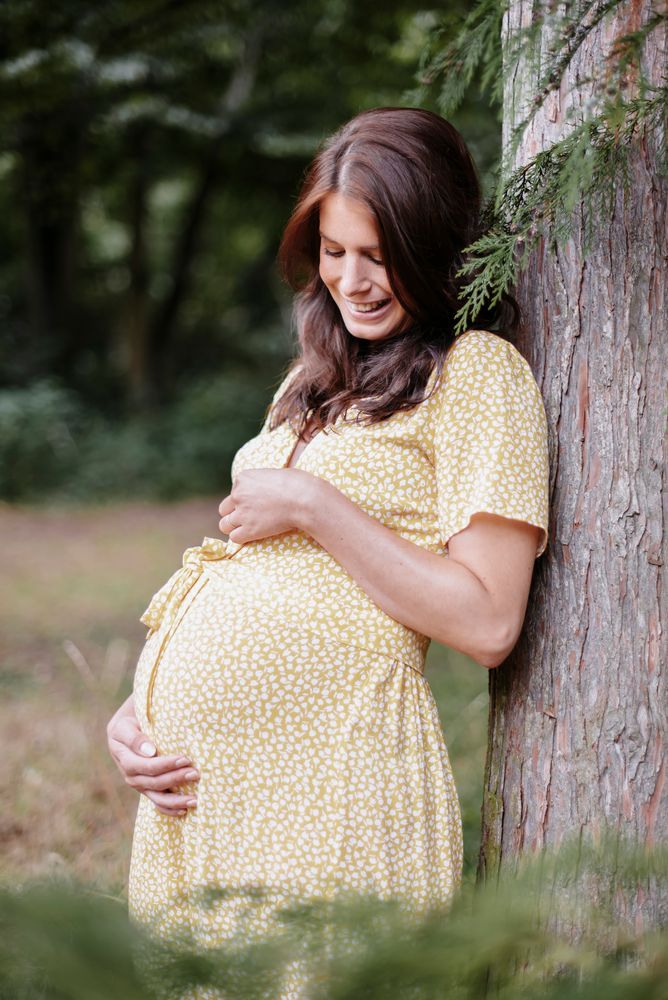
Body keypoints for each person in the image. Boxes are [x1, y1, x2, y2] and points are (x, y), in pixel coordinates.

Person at [107, 106, 549, 992]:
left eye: (381, 255)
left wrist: (314, 503)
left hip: (334, 787)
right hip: (205, 799)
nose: (355, 281)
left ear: (435, 244)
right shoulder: (314, 378)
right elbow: (243, 561)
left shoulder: (478, 374)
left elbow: (490, 619)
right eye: (335, 250)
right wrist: (139, 704)